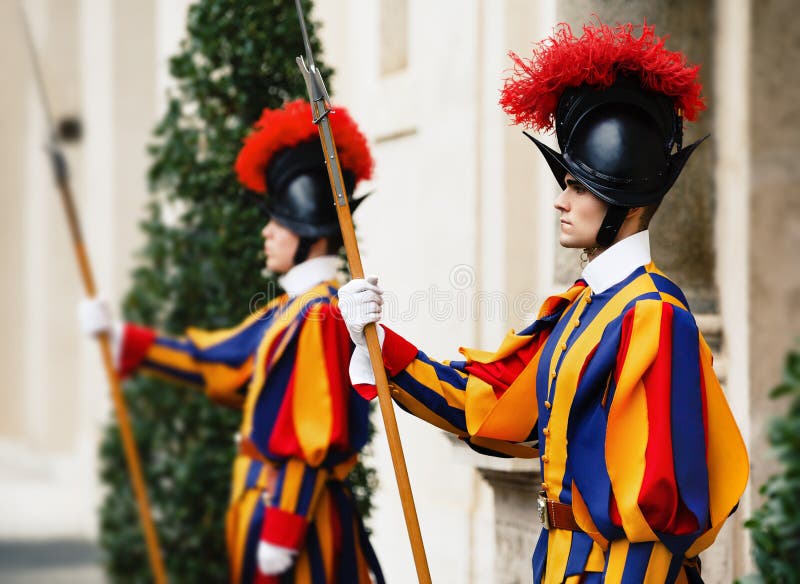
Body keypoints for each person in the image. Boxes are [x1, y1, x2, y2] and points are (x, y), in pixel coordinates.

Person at [338, 21, 748, 583]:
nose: (560, 201)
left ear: (625, 205)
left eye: (579, 186)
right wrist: (377, 344)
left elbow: (659, 519)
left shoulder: (653, 316)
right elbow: (492, 411)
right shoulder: (581, 307)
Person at [80, 100, 384, 584]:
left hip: (292, 520)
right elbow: (214, 361)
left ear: (309, 233)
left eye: (278, 223)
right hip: (264, 505)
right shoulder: (290, 309)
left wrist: (282, 532)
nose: (266, 233)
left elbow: (309, 441)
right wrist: (120, 337)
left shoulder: (319, 314)